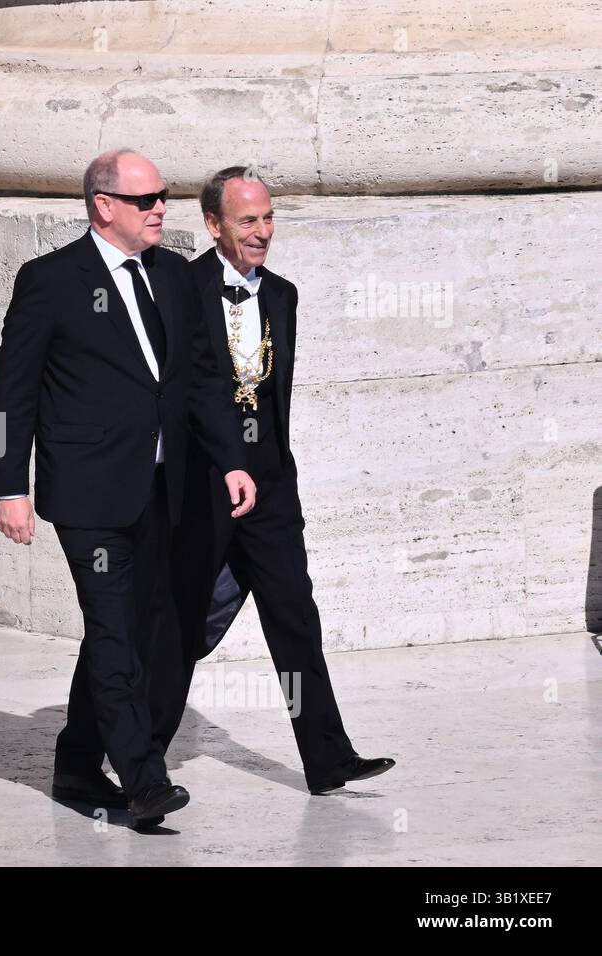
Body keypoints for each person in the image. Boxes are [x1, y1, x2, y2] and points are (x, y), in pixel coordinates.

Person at [0, 149, 256, 829]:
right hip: (88, 495)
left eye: (163, 195)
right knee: (112, 629)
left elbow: (204, 378)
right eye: (146, 200)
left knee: (138, 634)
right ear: (103, 206)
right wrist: (8, 485)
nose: (161, 207)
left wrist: (231, 460)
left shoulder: (173, 276)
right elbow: (12, 393)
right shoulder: (49, 280)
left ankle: (78, 761)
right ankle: (143, 781)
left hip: (166, 490)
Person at [157, 166, 395, 795]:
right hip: (203, 488)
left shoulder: (283, 294)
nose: (262, 232)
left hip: (271, 489)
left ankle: (328, 758)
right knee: (181, 625)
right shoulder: (180, 288)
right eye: (248, 221)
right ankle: (140, 754)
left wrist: (275, 471)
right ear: (213, 226)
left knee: (294, 617)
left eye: (268, 219)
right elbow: (179, 393)